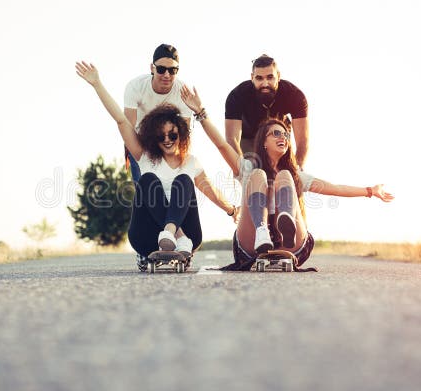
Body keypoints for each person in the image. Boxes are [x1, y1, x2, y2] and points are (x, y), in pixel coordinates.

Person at [183, 86, 394, 270]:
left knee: (286, 176)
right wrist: (201, 113)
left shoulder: (296, 176)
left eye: (285, 134)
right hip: (252, 242)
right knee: (257, 174)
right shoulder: (247, 168)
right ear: (263, 142)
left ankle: (286, 222)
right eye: (275, 133)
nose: (282, 137)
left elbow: (336, 188)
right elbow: (222, 144)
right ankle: (262, 229)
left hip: (290, 244)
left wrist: (370, 191)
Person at [75, 61, 238, 270]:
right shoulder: (145, 156)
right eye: (161, 136)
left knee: (184, 180)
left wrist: (233, 211)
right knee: (147, 180)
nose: (167, 139)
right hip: (147, 237)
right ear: (153, 137)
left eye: (173, 134)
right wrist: (97, 84)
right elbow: (121, 121)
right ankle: (174, 236)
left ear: (181, 134)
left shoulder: (191, 162)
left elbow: (211, 191)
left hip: (191, 235)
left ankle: (175, 235)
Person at [225, 54, 310, 168]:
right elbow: (232, 139)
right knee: (253, 171)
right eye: (259, 78)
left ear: (278, 76)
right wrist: (242, 169)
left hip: (278, 133)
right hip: (249, 137)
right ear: (252, 77)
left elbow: (302, 141)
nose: (265, 84)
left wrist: (298, 168)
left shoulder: (295, 95)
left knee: (286, 171)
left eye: (270, 77)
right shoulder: (237, 96)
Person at [124, 44, 194, 181]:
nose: (167, 75)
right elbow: (128, 128)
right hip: (141, 140)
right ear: (152, 68)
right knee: (144, 189)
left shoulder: (183, 92)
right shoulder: (135, 86)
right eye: (161, 69)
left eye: (172, 70)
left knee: (172, 187)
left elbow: (183, 137)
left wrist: (180, 166)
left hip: (168, 143)